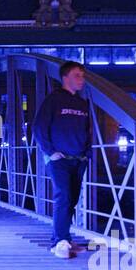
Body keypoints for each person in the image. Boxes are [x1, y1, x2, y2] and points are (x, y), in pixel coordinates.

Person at [31, 61, 92, 258]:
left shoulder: (82, 103)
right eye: (77, 75)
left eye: (82, 75)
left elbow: (88, 131)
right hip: (59, 160)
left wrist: (86, 154)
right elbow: (38, 128)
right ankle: (58, 242)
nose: (81, 79)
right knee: (63, 196)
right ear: (65, 78)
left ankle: (66, 238)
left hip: (78, 159)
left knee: (72, 199)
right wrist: (51, 152)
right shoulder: (54, 100)